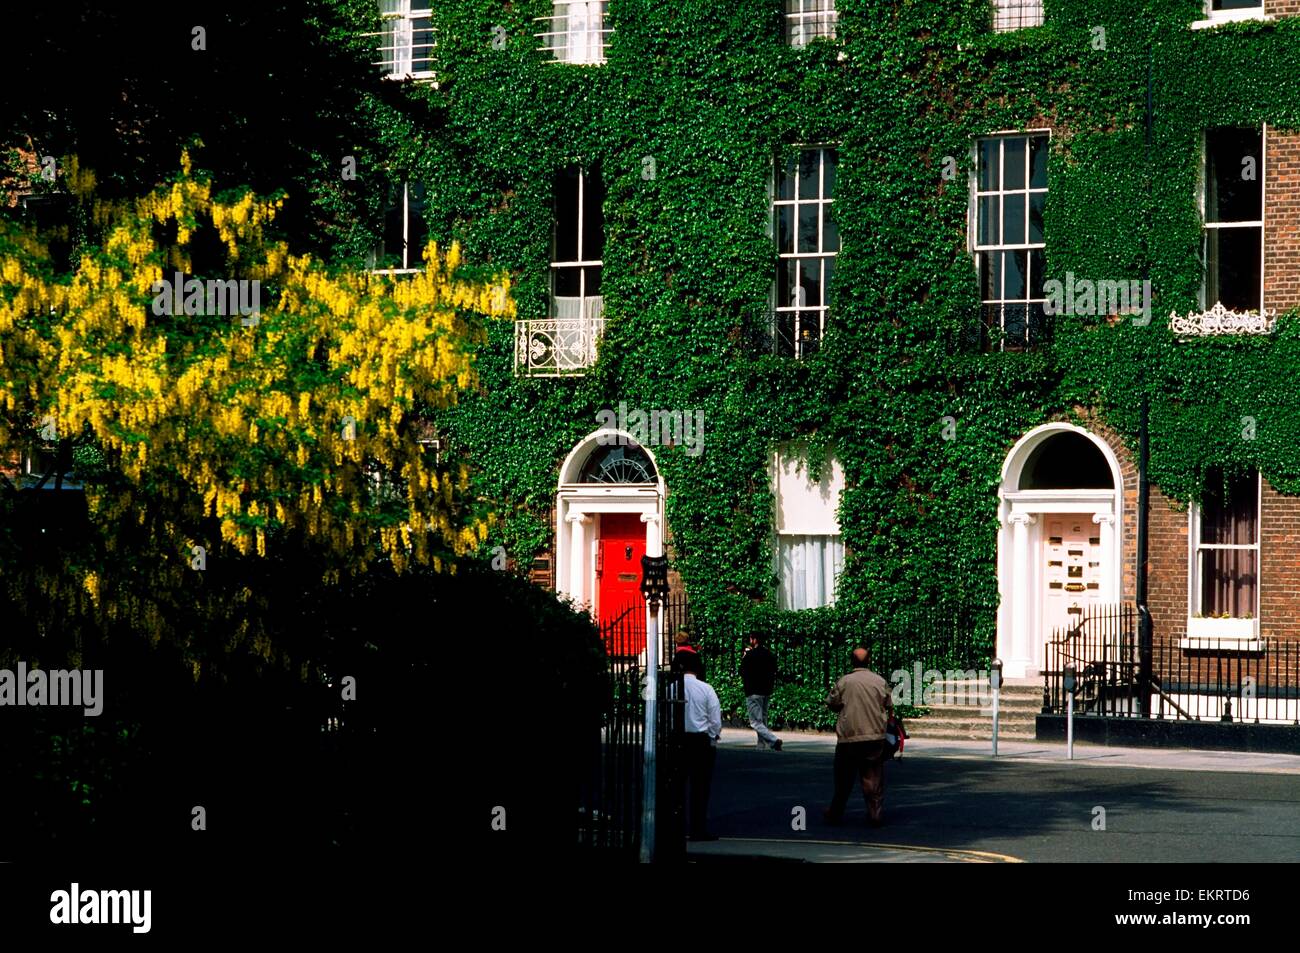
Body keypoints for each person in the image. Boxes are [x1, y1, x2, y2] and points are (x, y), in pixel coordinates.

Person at [823, 646, 892, 827]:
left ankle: (835, 813)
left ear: (852, 661)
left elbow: (832, 703)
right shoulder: (879, 681)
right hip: (874, 735)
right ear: (868, 661)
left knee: (843, 778)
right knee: (873, 777)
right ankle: (875, 813)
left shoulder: (844, 682)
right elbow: (888, 704)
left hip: (849, 737)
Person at [681, 659, 722, 841]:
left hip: (679, 740)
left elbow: (661, 715)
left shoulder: (672, 688)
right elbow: (715, 719)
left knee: (676, 788)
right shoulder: (706, 689)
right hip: (700, 741)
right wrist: (713, 738)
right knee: (700, 788)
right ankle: (697, 829)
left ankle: (675, 827)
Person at [740, 634, 782, 751]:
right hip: (766, 690)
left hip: (753, 690)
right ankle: (761, 745)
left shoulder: (749, 655)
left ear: (754, 640)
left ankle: (774, 740)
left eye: (750, 639)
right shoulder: (769, 654)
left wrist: (744, 656)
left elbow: (742, 671)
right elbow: (774, 670)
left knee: (755, 722)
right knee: (763, 720)